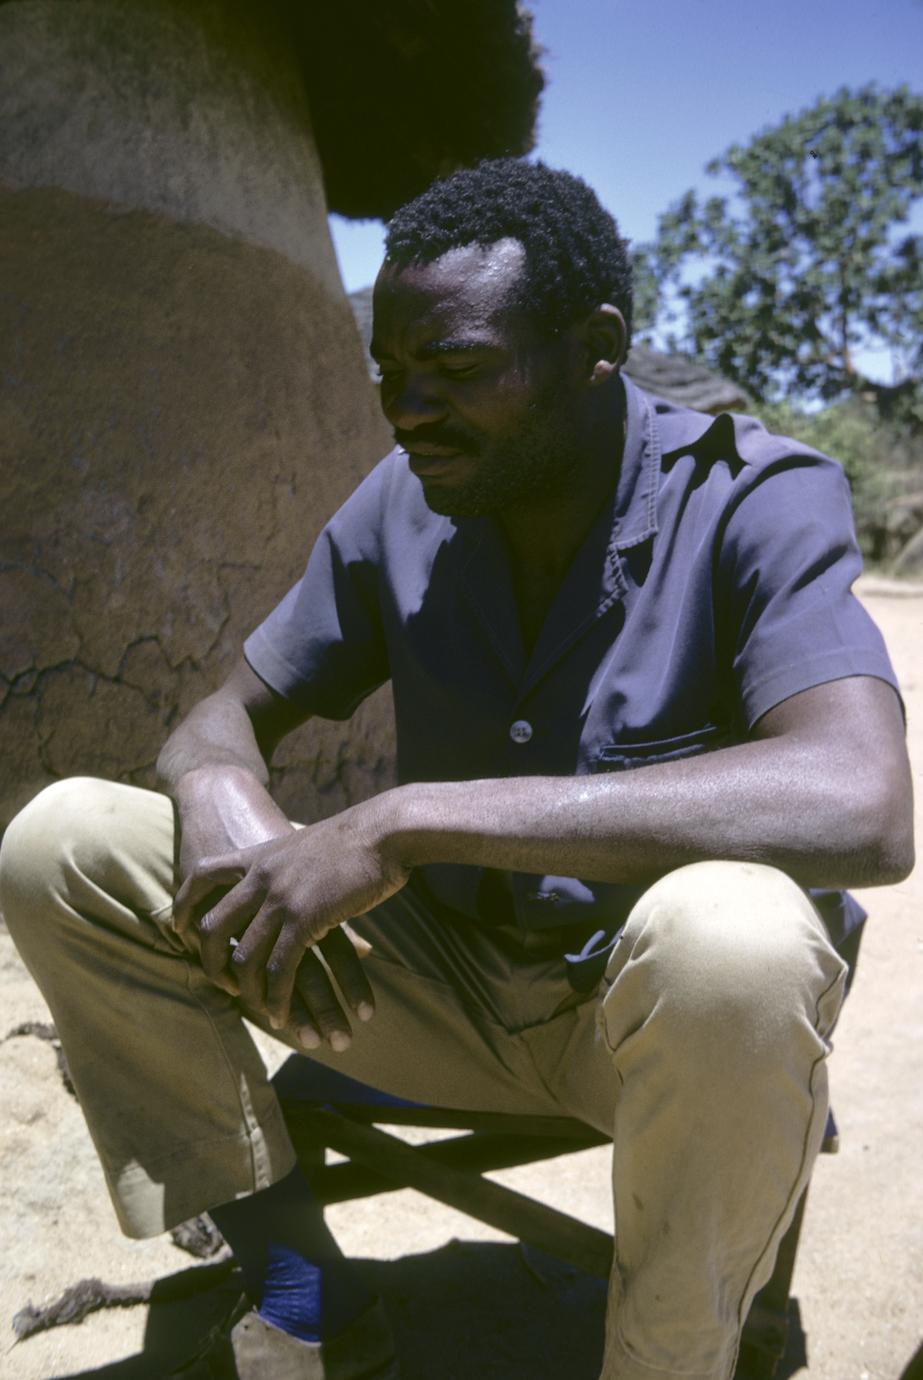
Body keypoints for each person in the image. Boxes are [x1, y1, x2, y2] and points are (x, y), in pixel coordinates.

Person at [0, 158, 913, 1380]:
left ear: (595, 346)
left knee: (735, 932)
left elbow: (861, 800)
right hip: (414, 998)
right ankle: (300, 1289)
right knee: (62, 840)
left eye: (460, 370)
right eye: (392, 374)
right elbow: (221, 712)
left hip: (650, 1033)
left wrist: (407, 819)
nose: (409, 410)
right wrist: (220, 792)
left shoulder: (750, 497)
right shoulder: (402, 504)